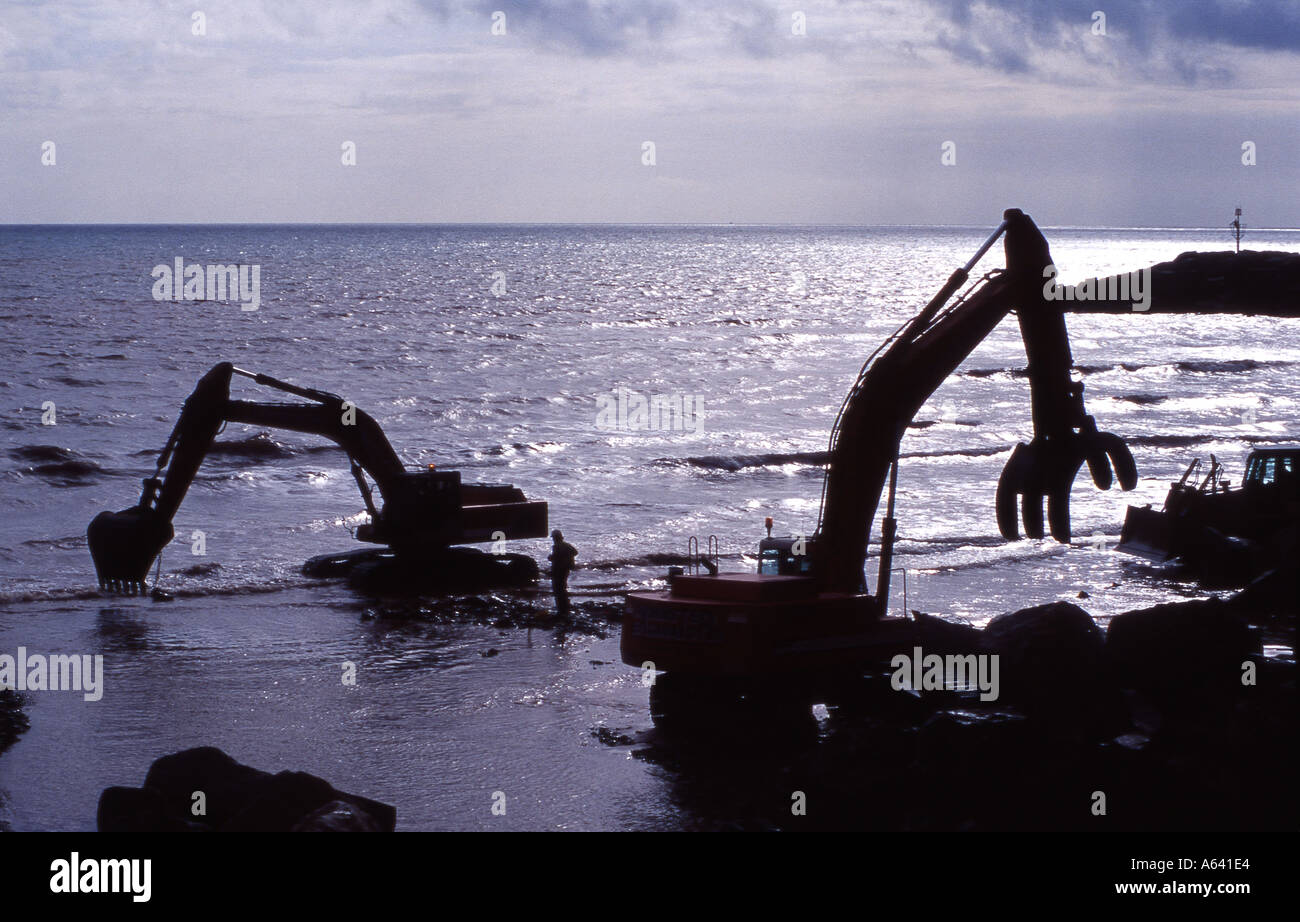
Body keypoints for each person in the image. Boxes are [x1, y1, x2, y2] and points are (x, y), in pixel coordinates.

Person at [547, 529, 577, 618]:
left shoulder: (556, 546)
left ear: (555, 538)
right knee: (562, 587)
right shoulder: (567, 545)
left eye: (553, 538)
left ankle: (561, 610)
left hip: (558, 570)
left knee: (558, 589)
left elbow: (555, 557)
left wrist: (551, 557)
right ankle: (565, 607)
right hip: (565, 569)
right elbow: (575, 552)